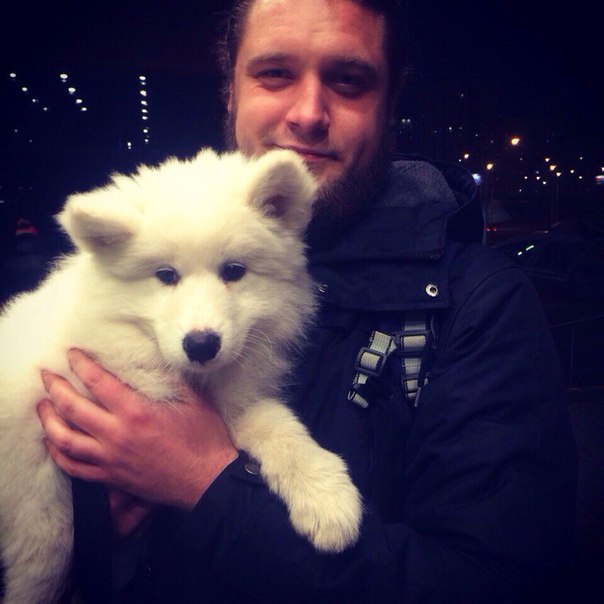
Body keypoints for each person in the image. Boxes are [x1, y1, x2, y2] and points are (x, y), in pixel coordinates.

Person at [36, 0, 577, 602]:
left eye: (348, 80)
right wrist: (87, 525)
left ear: (390, 100)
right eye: (275, 73)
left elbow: (496, 582)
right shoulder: (129, 257)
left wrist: (204, 483)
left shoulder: (478, 306)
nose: (309, 113)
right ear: (231, 92)